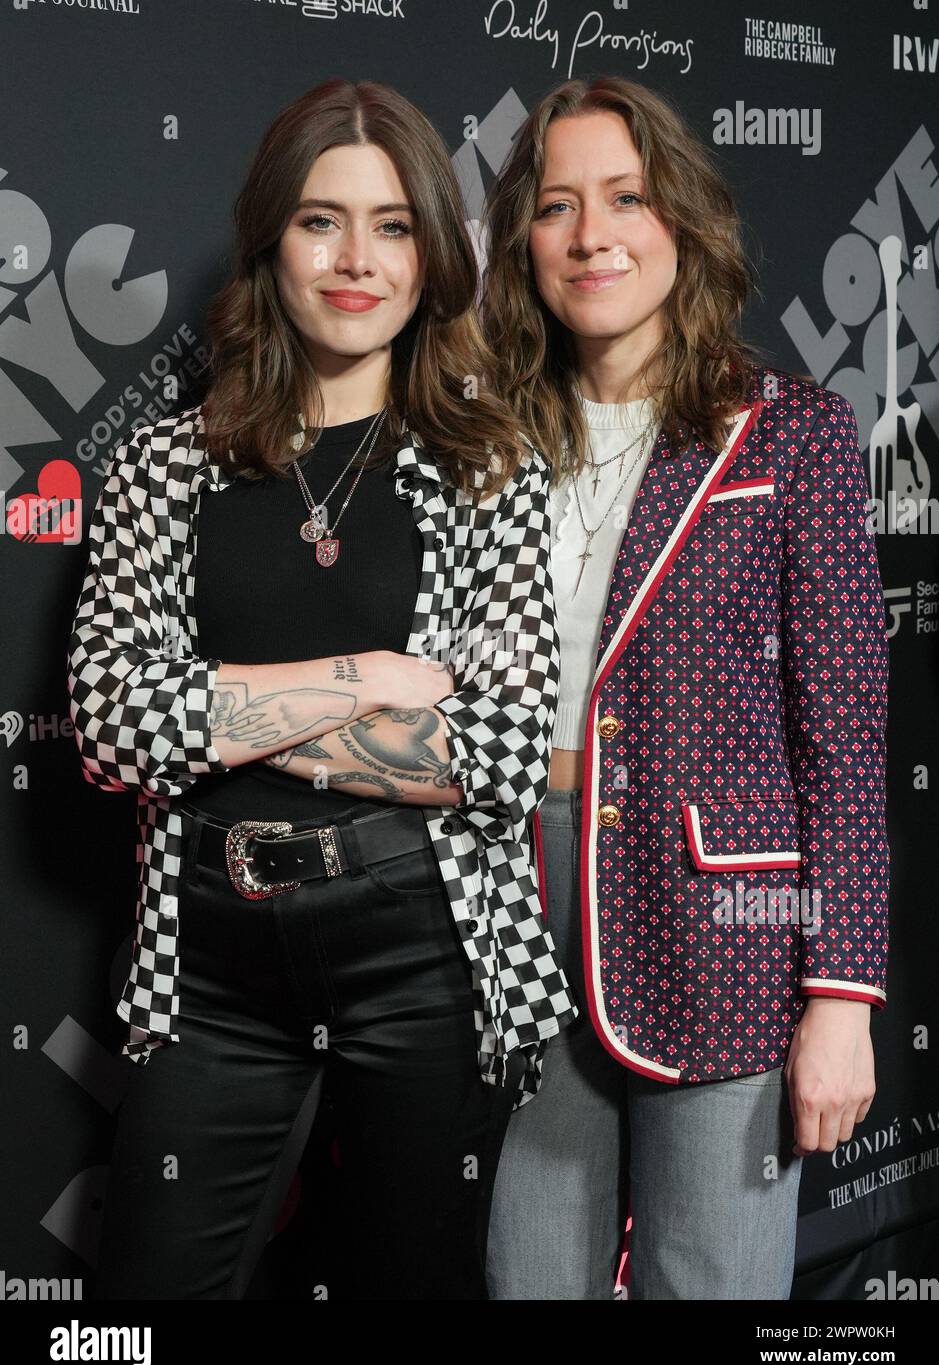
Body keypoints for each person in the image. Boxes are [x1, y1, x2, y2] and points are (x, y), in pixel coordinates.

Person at [66, 78, 576, 1301]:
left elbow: (499, 752)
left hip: (428, 941)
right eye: (320, 221)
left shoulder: (487, 464)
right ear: (269, 242)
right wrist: (362, 681)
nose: (358, 259)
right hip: (211, 956)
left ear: (432, 255)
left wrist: (224, 715)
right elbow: (109, 723)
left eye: (394, 224)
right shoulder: (162, 467)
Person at [480, 76, 890, 1300]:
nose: (591, 233)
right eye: (556, 206)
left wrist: (843, 996)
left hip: (724, 932)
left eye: (626, 197)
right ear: (523, 243)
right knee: (530, 1277)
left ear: (683, 222)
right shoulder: (481, 436)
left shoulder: (789, 432)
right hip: (513, 903)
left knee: (706, 1280)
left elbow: (848, 741)